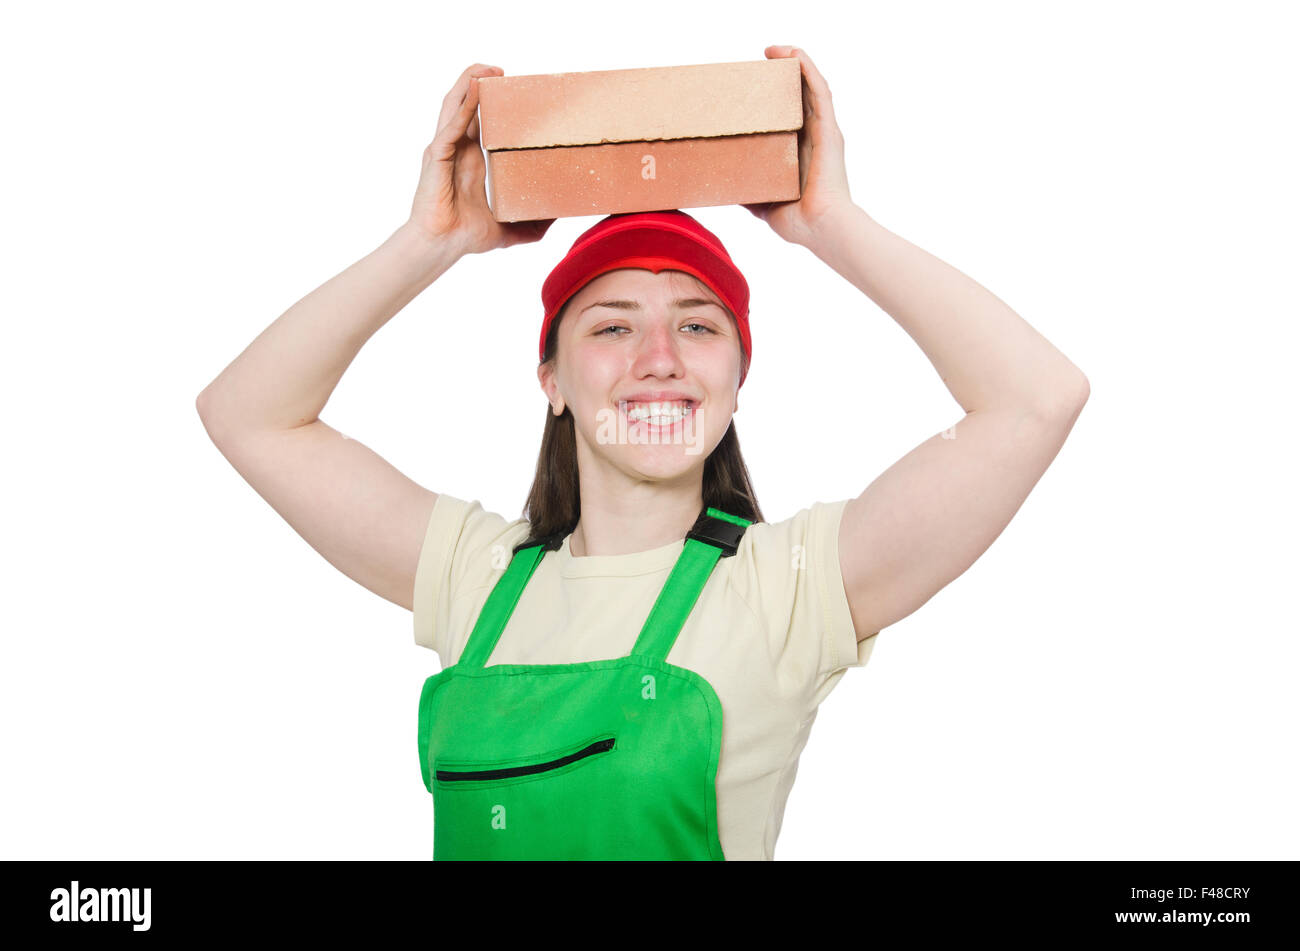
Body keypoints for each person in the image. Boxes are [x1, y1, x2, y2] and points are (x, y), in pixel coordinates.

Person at [196, 47, 1089, 861]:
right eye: (613, 325)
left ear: (738, 378)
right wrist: (433, 241)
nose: (658, 357)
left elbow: (1034, 400)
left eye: (697, 327)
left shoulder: (789, 588)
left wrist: (831, 224)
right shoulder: (475, 576)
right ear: (551, 377)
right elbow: (248, 414)